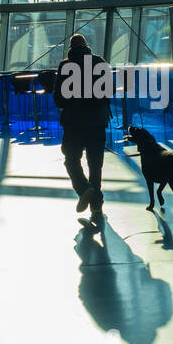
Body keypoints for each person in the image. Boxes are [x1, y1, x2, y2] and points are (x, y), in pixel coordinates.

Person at [53, 34, 112, 221]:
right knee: (95, 165)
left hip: (74, 123)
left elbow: (59, 98)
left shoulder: (65, 66)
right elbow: (107, 91)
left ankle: (84, 189)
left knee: (71, 160)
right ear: (87, 46)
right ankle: (96, 205)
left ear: (70, 48)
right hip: (97, 122)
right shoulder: (100, 62)